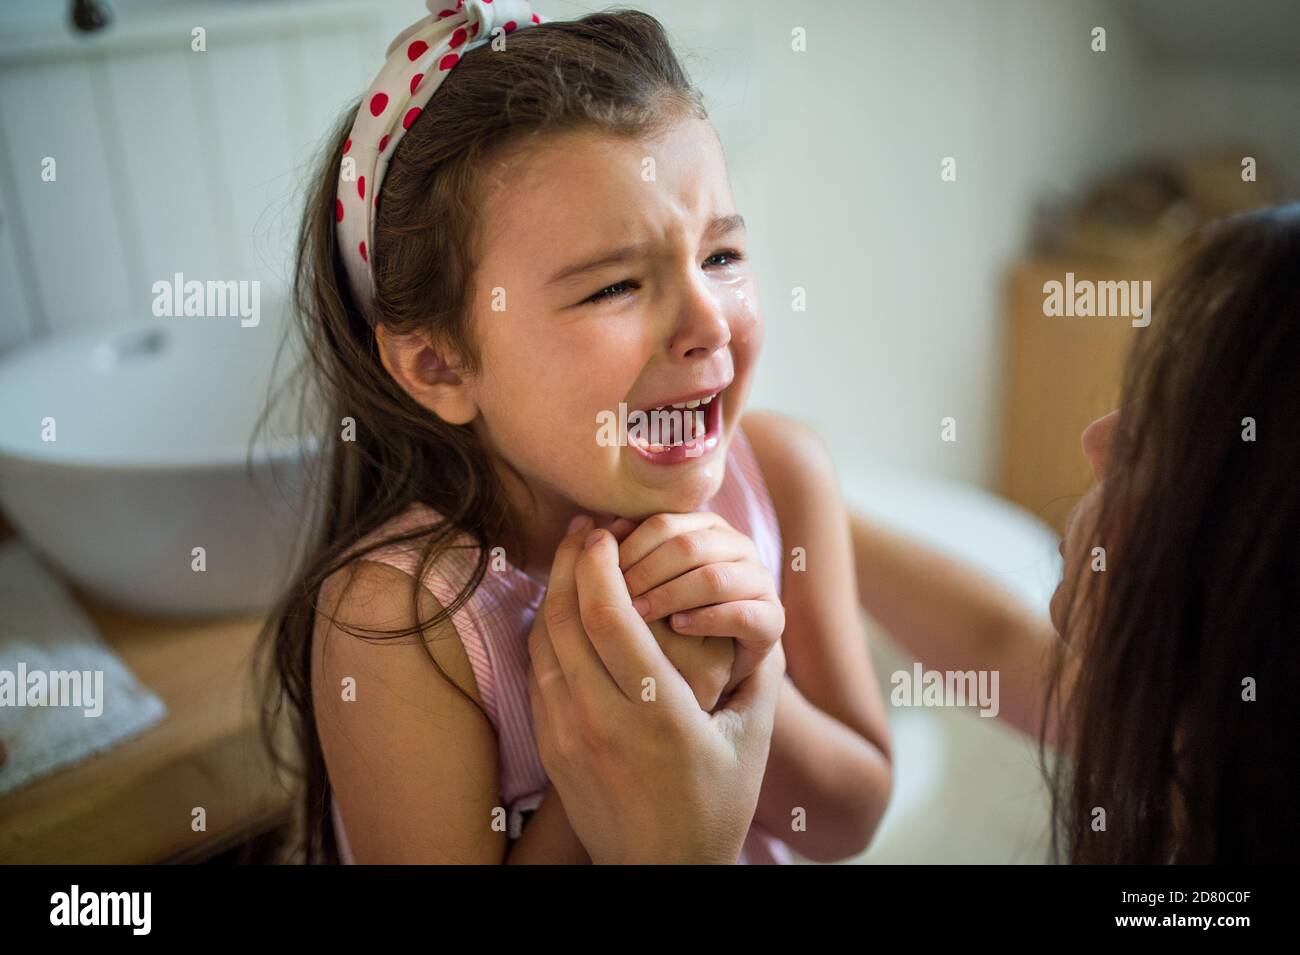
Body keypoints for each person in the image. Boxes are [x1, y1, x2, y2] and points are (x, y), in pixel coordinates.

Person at [259, 1, 892, 865]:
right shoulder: (402, 624)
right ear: (440, 363)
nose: (707, 322)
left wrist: (751, 671)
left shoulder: (783, 474)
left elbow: (852, 819)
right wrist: (647, 735)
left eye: (720, 256)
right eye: (614, 286)